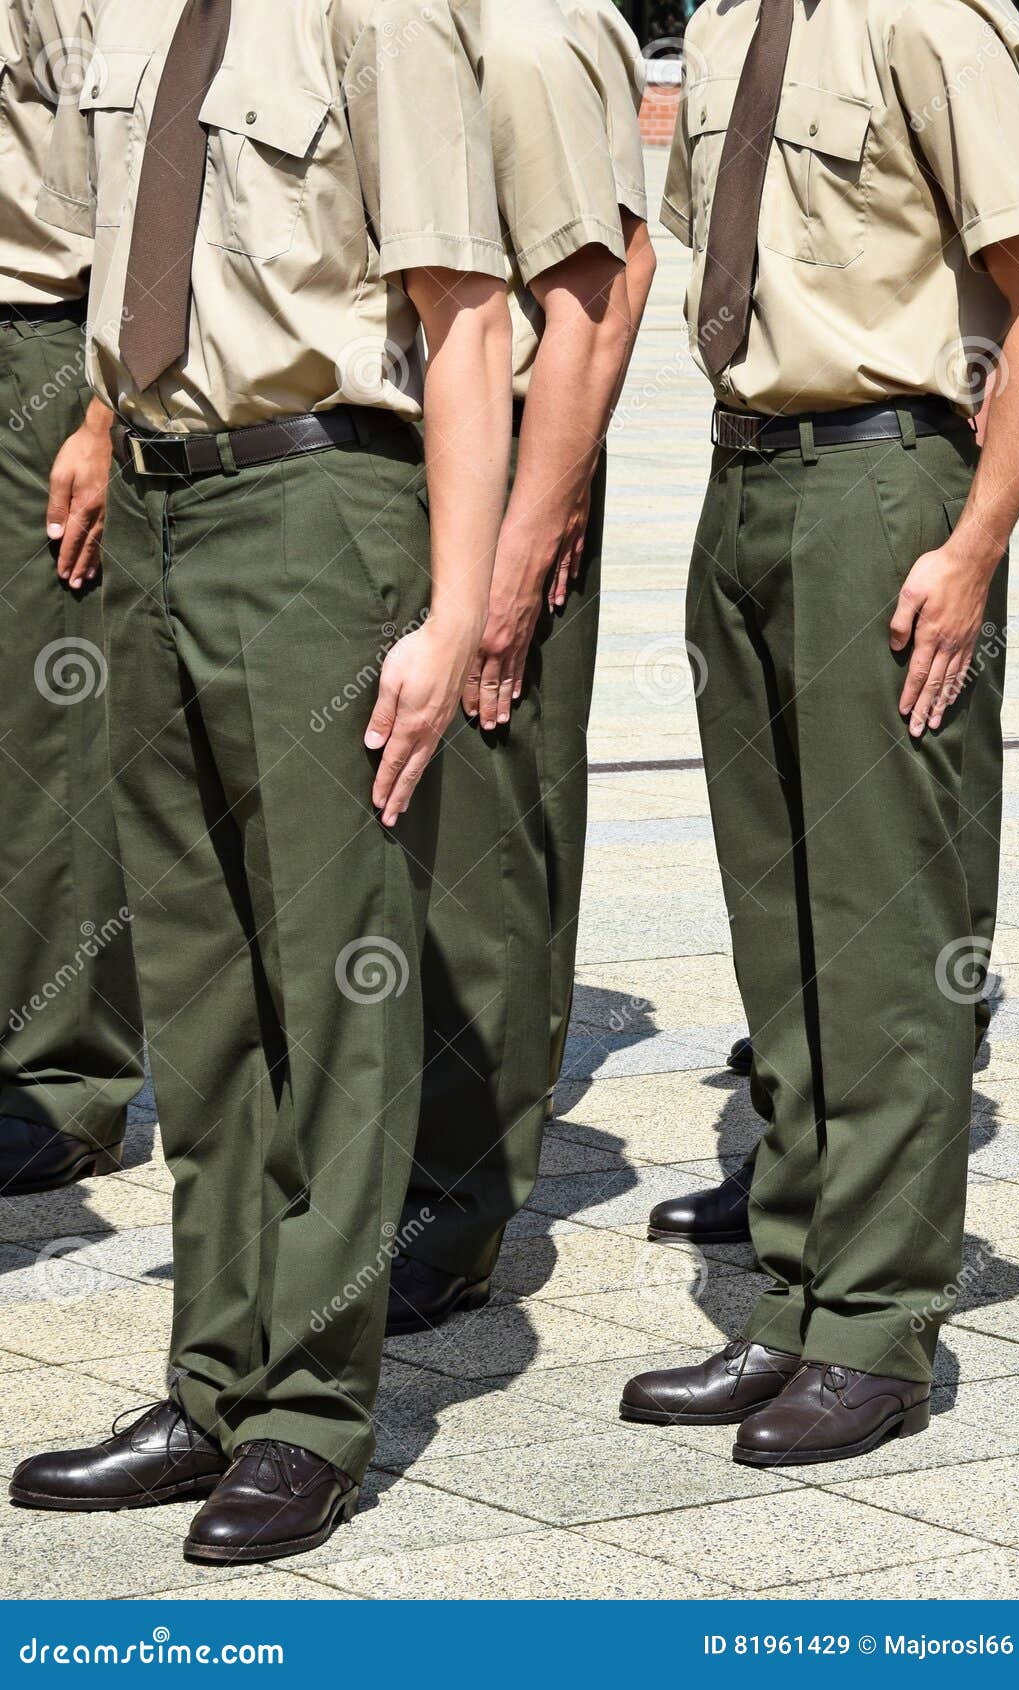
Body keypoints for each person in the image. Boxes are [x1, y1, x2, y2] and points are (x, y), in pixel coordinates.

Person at [11, 0, 511, 1566]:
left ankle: (306, 1411)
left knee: (330, 984)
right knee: (199, 986)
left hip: (314, 509)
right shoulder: (146, 18)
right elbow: (142, 260)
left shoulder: (381, 19)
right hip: (158, 505)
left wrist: (447, 611)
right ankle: (211, 1377)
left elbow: (469, 316)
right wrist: (101, 418)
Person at [623, 0, 1019, 1466]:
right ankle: (793, 1293)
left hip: (884, 487)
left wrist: (973, 541)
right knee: (781, 926)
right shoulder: (733, 23)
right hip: (742, 480)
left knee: (881, 921)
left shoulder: (927, 19)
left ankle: (873, 1327)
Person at [387, 0, 656, 1335]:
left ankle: (456, 1208)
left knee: (480, 857)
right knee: (412, 844)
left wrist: (521, 541)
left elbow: (601, 292)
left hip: (498, 465)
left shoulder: (531, 37)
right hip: (409, 464)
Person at [0, 0, 142, 1197]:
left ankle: (63, 1081)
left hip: (45, 342)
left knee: (50, 724)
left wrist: (102, 412)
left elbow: (137, 192)